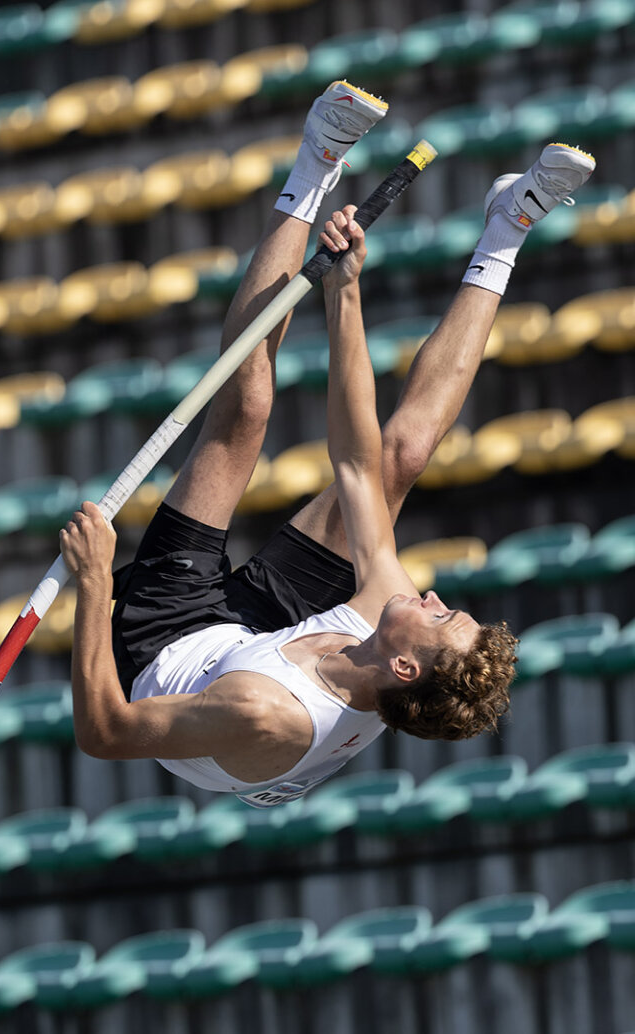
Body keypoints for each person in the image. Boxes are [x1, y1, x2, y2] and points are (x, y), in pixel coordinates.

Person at [59, 81, 596, 807]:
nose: (431, 595)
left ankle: (313, 163)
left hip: (168, 648)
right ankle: (509, 225)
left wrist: (93, 586)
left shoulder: (266, 717)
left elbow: (106, 733)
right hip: (271, 640)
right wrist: (345, 293)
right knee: (400, 461)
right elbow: (355, 458)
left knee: (244, 408)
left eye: (439, 616)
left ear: (405, 668)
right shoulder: (386, 625)